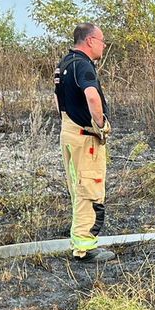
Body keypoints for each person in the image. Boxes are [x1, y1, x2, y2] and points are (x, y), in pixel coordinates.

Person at [54, 23, 116, 262]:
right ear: (90, 41)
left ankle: (80, 242)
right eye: (101, 41)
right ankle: (85, 249)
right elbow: (91, 95)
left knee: (78, 188)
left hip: (69, 132)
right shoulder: (83, 65)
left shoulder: (65, 64)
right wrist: (100, 126)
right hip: (84, 137)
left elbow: (58, 100)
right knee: (89, 190)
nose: (103, 46)